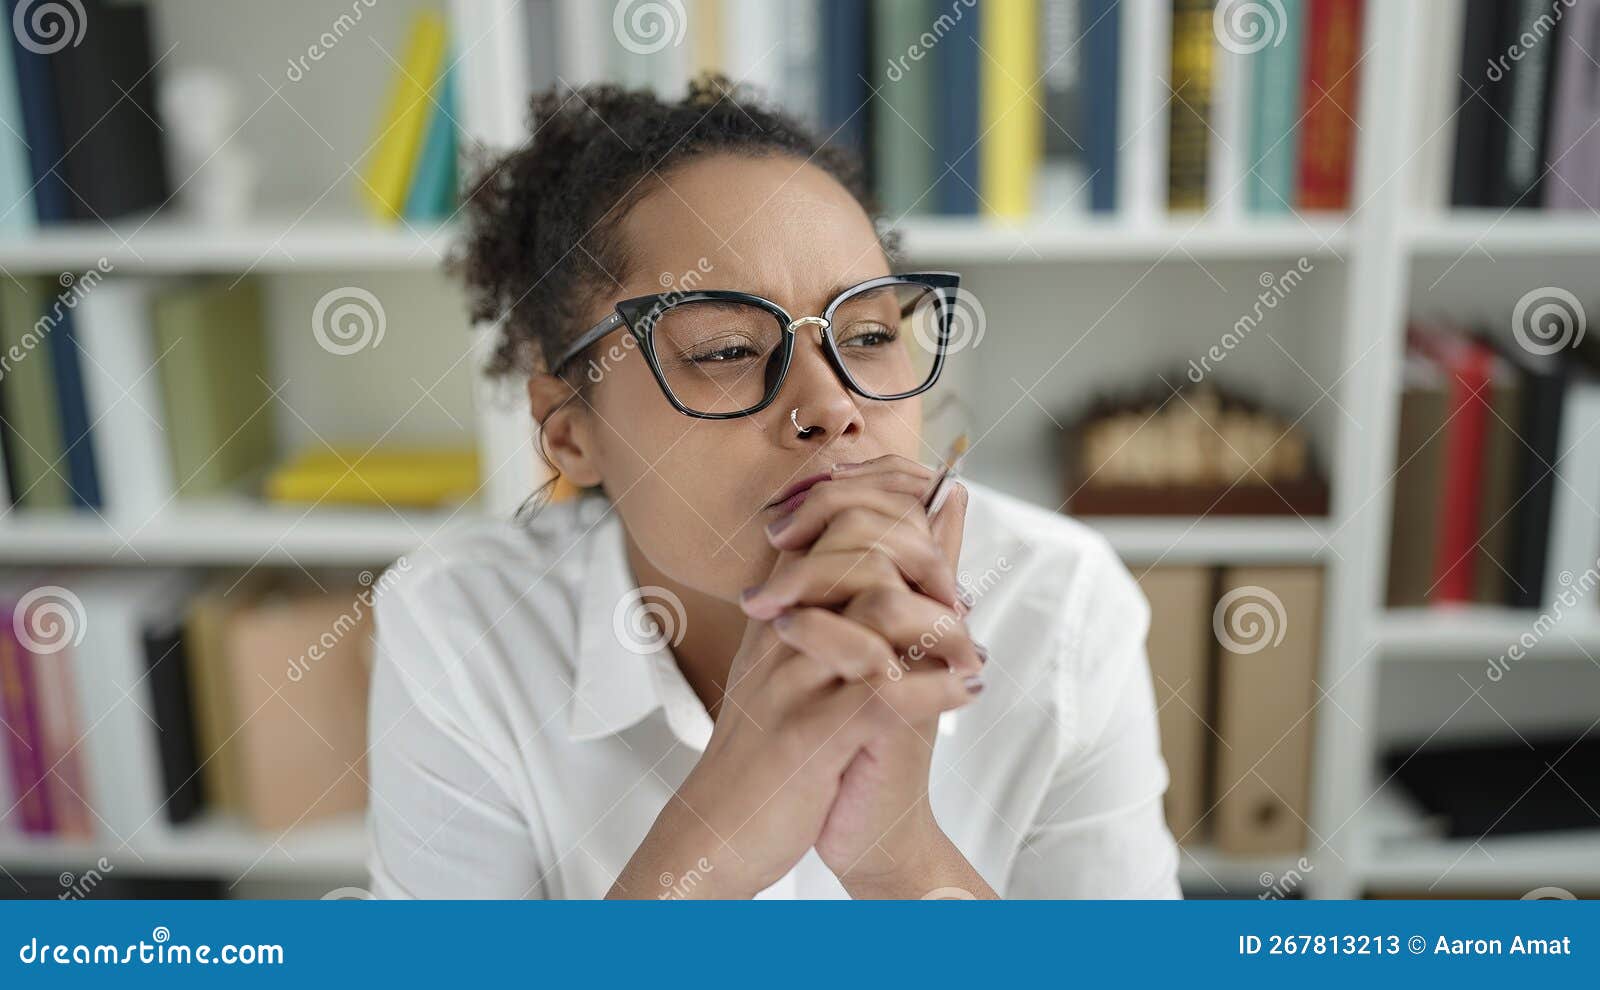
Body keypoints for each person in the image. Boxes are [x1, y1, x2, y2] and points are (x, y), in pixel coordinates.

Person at [366, 76, 1180, 899]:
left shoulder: (1063, 605)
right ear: (571, 430)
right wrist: (708, 847)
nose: (832, 406)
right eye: (724, 349)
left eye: (867, 335)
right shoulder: (459, 627)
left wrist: (899, 858)